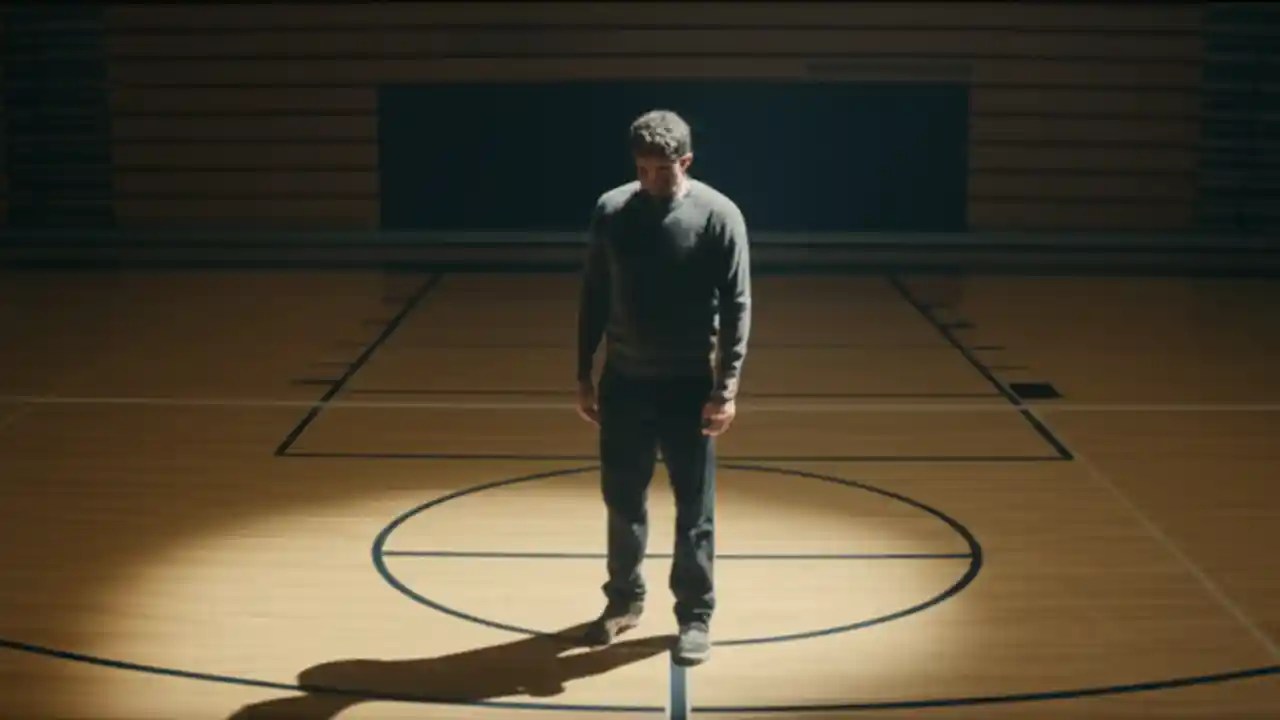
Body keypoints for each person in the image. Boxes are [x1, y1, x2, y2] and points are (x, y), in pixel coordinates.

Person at [574, 109, 751, 667]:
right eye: (641, 169)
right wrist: (582, 373)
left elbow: (738, 305)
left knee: (694, 510)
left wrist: (726, 388)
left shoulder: (719, 216)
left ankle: (695, 616)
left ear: (686, 161)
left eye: (661, 169)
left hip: (688, 388)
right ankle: (623, 600)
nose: (649, 180)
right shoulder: (611, 211)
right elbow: (593, 294)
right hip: (624, 384)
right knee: (622, 501)